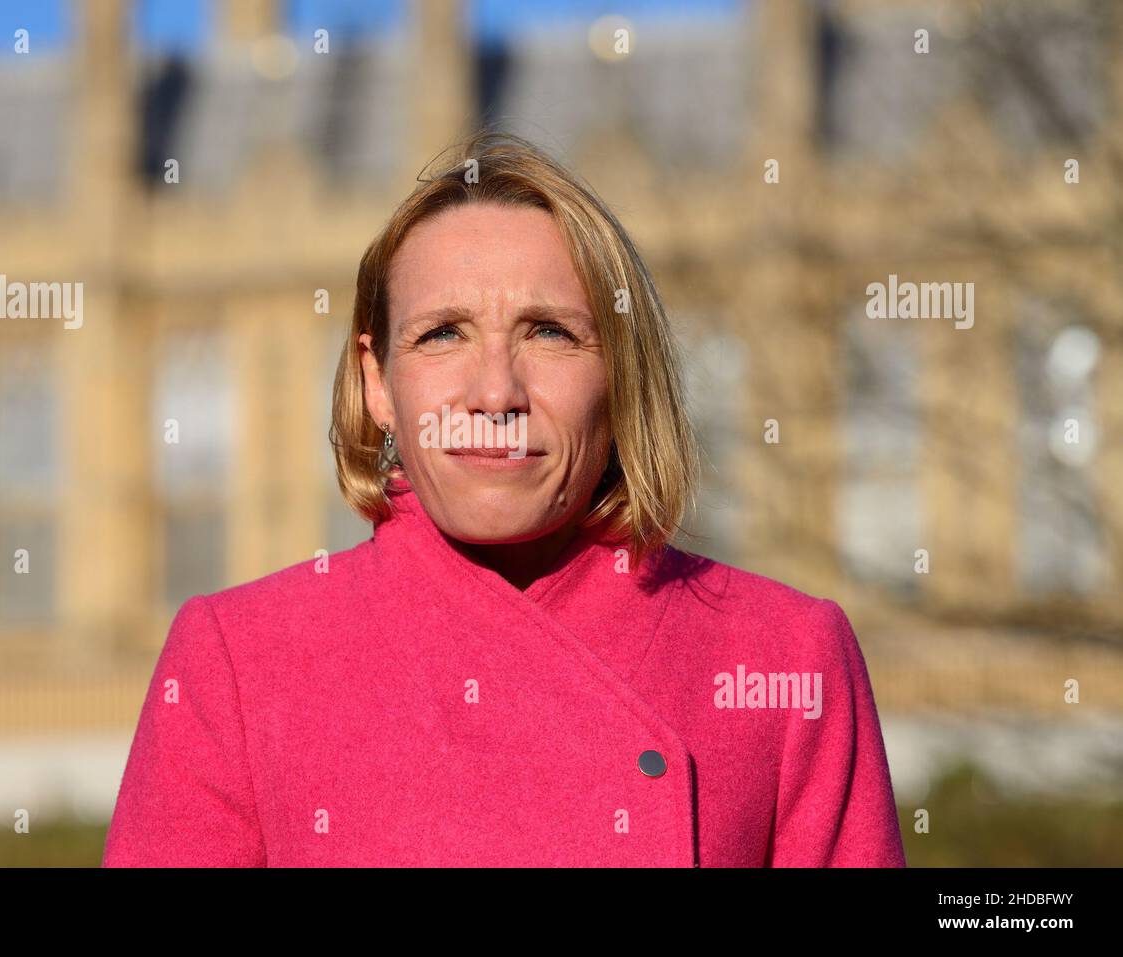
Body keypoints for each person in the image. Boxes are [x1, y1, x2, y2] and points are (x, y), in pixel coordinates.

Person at [103, 130, 906, 867]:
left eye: (550, 332)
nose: (494, 392)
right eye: (442, 333)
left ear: (622, 373)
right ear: (379, 382)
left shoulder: (785, 656)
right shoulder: (239, 664)